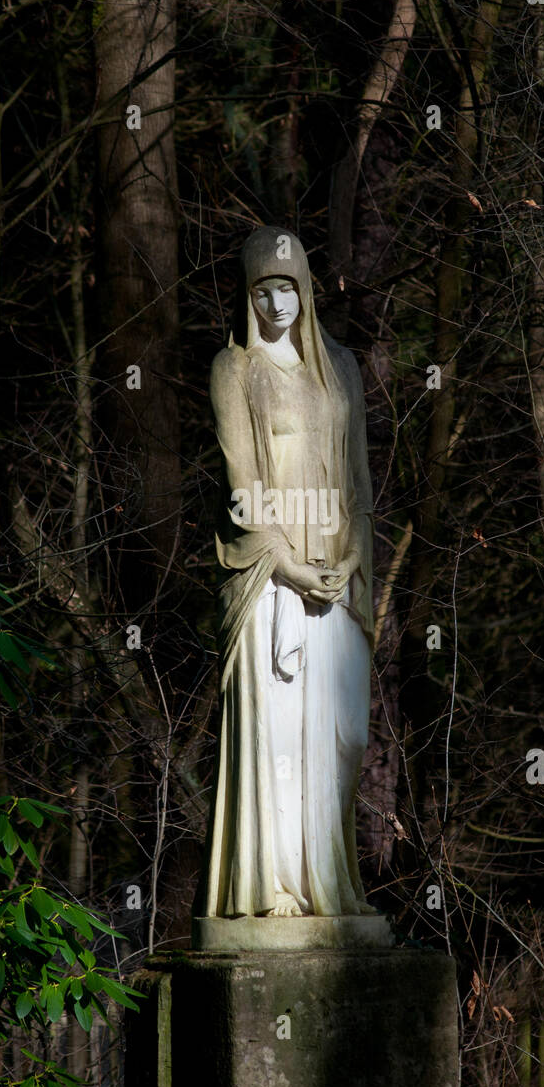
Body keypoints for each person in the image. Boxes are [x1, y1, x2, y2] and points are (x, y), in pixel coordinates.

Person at [201, 225, 376, 919]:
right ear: (247, 297)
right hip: (269, 577)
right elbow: (241, 488)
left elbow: (359, 478)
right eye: (262, 290)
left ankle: (330, 885)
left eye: (287, 287)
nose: (276, 303)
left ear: (306, 288)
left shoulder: (339, 366)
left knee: (343, 736)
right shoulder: (234, 370)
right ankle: (272, 887)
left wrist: (354, 553)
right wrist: (292, 569)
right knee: (275, 737)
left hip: (337, 571)